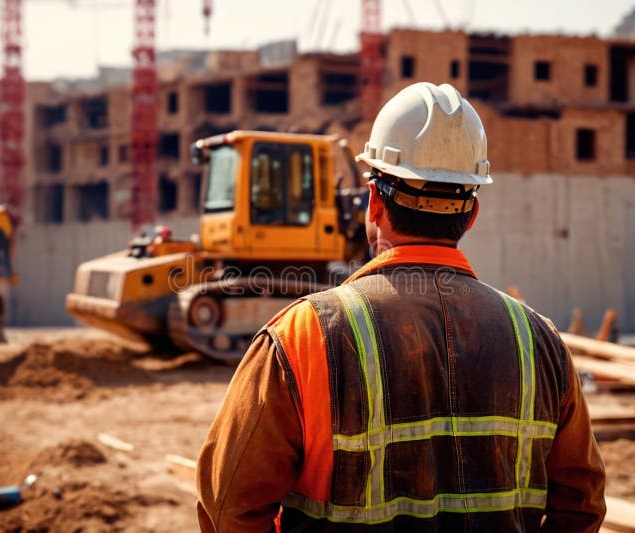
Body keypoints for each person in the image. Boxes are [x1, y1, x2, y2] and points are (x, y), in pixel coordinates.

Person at [196, 82, 606, 532]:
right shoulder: (540, 342)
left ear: (374, 203)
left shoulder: (303, 336)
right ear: (471, 215)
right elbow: (582, 503)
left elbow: (229, 507)